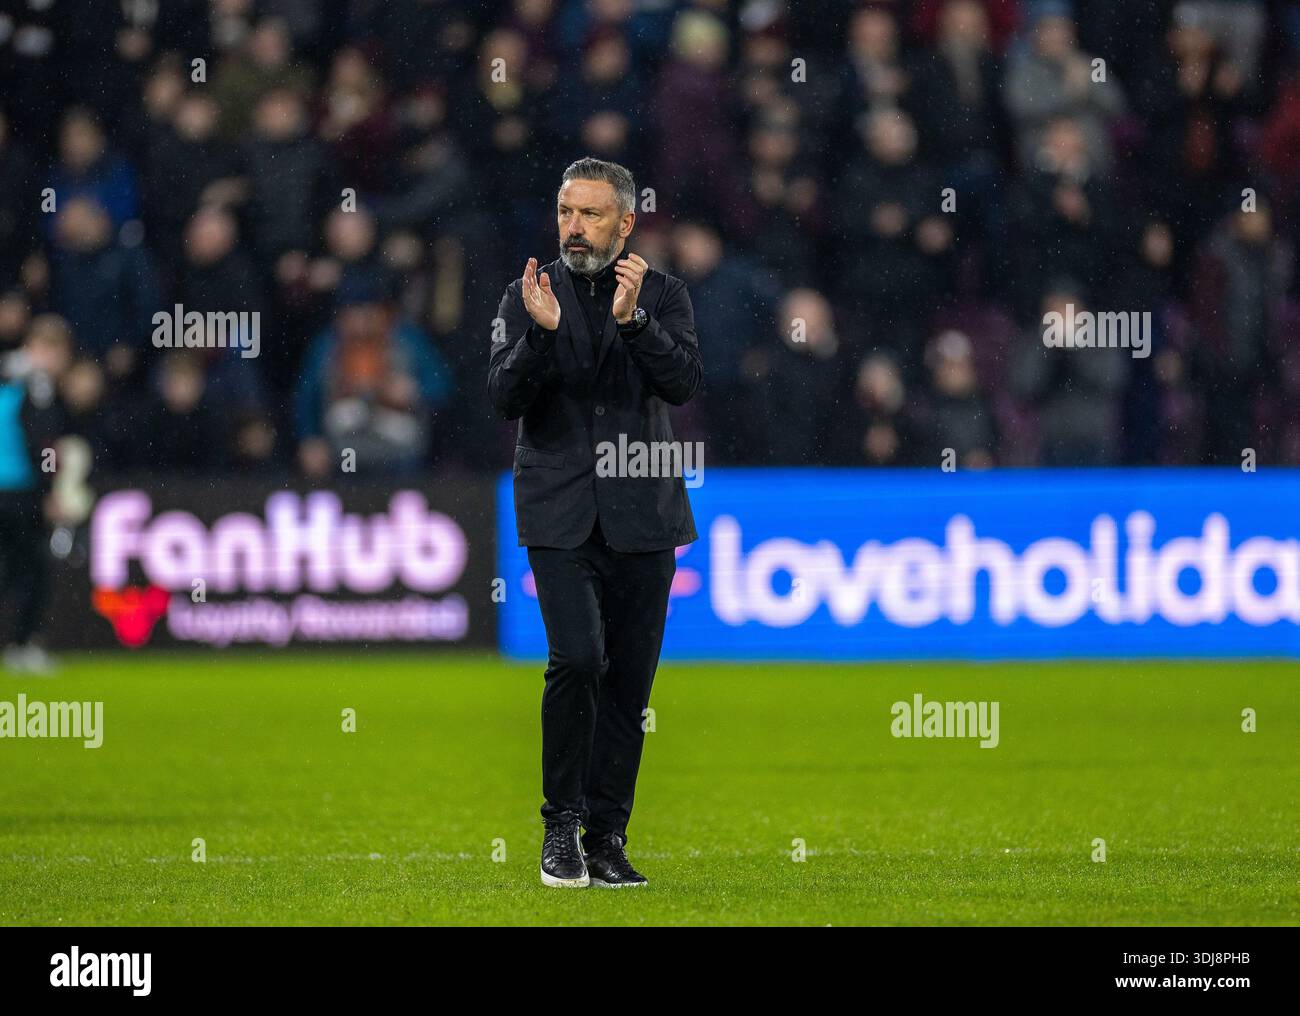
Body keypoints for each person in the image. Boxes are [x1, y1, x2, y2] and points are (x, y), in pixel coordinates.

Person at [488, 157, 702, 888]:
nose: (573, 227)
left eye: (589, 214)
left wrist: (634, 322)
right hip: (560, 509)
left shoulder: (663, 294)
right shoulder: (528, 295)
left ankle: (607, 838)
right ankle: (559, 829)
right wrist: (541, 335)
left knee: (629, 686)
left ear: (626, 221)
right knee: (577, 660)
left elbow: (681, 382)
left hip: (644, 513)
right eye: (565, 212)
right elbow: (503, 398)